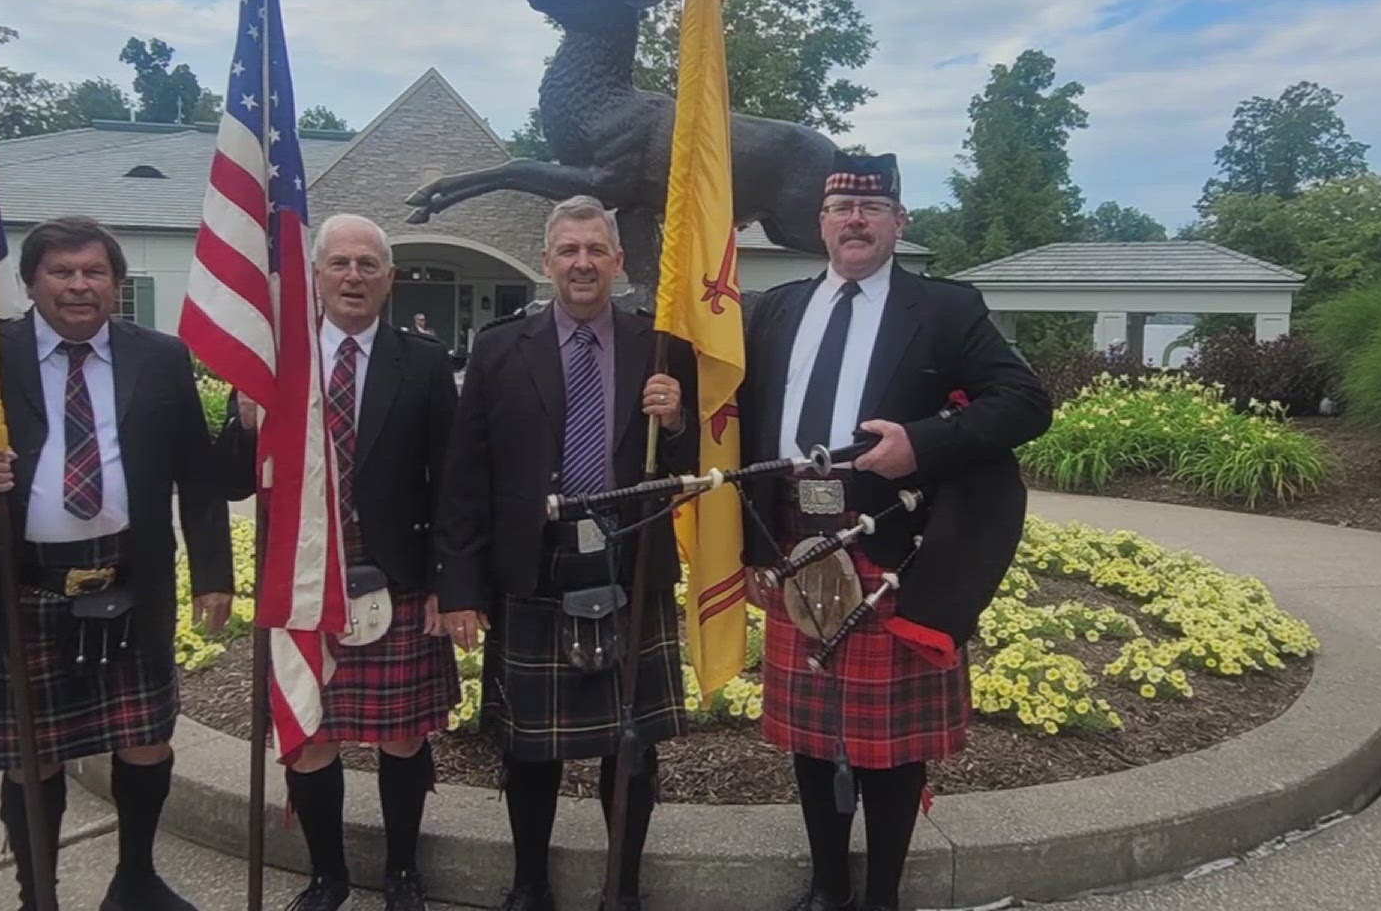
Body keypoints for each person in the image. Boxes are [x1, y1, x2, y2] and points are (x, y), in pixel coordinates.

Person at [737, 154, 1051, 911]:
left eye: (872, 208)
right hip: (793, 536)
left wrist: (923, 442)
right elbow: (743, 424)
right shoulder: (775, 309)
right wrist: (751, 547)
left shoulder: (943, 308)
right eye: (840, 208)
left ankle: (881, 895)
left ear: (898, 223)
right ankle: (827, 886)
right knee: (811, 734)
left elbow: (1026, 402)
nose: (855, 220)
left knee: (892, 746)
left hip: (891, 545)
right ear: (820, 223)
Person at [0, 216, 234, 911]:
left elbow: (197, 474)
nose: (79, 286)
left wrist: (214, 575)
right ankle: (37, 895)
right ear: (30, 283)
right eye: (62, 272)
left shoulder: (159, 357)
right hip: (20, 587)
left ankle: (136, 881)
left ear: (117, 284)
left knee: (147, 741)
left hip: (129, 582)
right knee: (33, 754)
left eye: (95, 272)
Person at [436, 196, 697, 911]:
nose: (583, 263)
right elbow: (466, 478)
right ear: (547, 261)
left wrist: (676, 420)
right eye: (569, 250)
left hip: (628, 565)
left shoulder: (662, 347)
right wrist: (460, 586)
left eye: (595, 250)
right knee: (528, 748)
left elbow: (690, 463)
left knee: (632, 745)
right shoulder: (499, 348)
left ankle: (624, 891)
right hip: (535, 567)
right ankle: (530, 885)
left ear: (618, 261)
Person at [217, 214, 461, 911]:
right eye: (340, 264)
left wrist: (445, 582)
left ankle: (402, 872)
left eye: (368, 264)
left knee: (403, 737)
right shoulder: (278, 361)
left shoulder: (423, 362)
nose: (354, 276)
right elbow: (230, 481)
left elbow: (450, 482)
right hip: (303, 579)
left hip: (398, 573)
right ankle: (328, 876)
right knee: (311, 738)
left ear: (389, 279)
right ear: (316, 275)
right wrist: (244, 421)